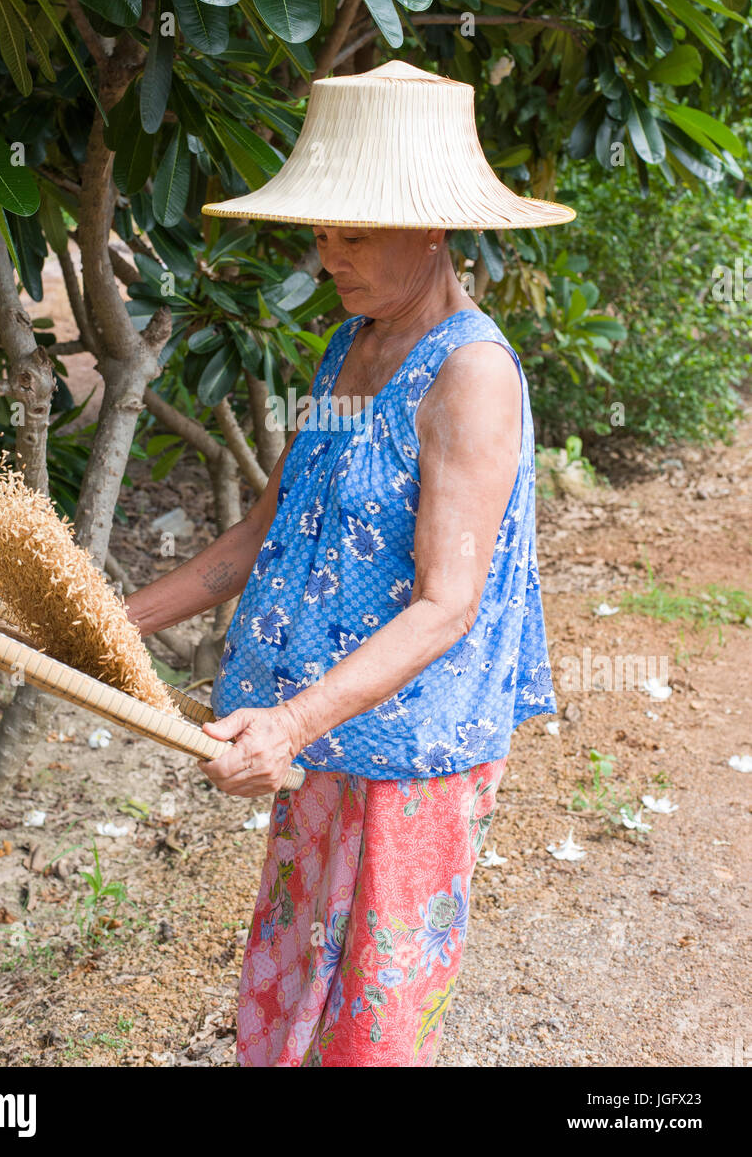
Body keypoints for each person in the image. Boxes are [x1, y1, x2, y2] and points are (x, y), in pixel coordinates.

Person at [124, 60, 575, 1066]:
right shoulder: (349, 347)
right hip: (326, 736)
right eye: (324, 231)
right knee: (299, 988)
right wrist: (114, 622)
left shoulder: (470, 373)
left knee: (374, 1021)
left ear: (433, 228)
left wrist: (288, 720)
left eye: (356, 233)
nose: (330, 255)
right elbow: (259, 534)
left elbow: (446, 606)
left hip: (409, 753)